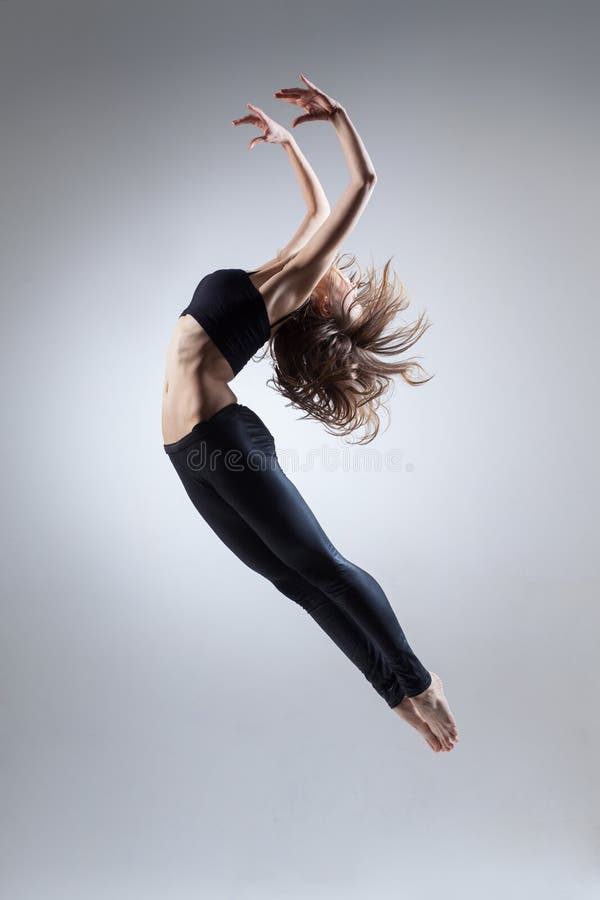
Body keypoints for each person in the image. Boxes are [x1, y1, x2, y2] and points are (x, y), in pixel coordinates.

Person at [162, 73, 459, 753]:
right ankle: (393, 690)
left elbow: (361, 185)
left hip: (221, 440)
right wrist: (287, 144)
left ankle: (418, 681)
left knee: (320, 564)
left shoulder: (294, 288)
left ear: (322, 303)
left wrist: (340, 118)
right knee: (292, 581)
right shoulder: (279, 270)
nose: (344, 271)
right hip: (189, 452)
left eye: (346, 286)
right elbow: (318, 208)